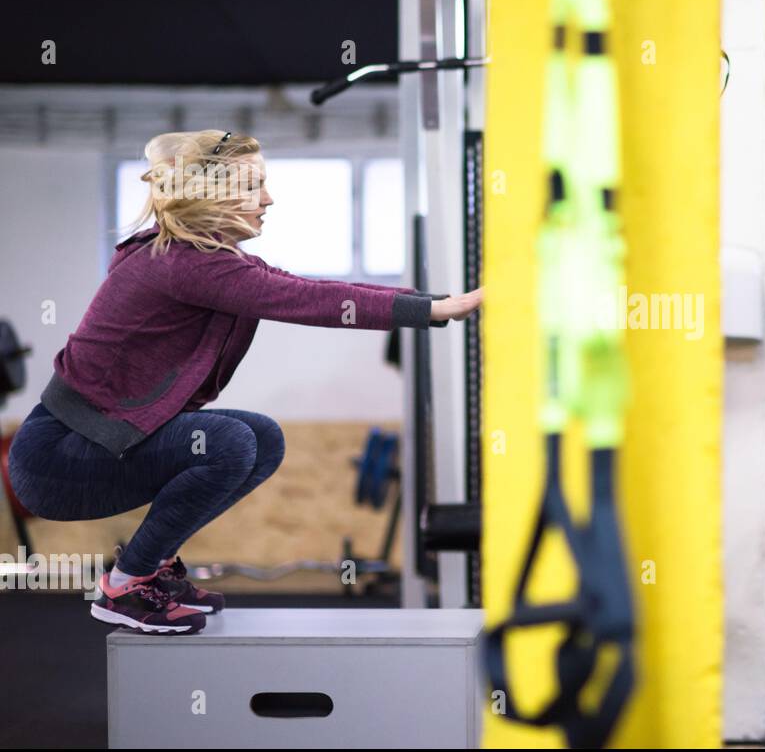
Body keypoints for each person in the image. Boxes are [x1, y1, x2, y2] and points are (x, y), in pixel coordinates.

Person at [6, 130, 482, 635]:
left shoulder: (205, 259)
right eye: (255, 186)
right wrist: (432, 310)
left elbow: (310, 287)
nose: (269, 199)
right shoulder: (180, 264)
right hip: (57, 458)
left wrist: (435, 303)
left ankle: (150, 569)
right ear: (213, 193)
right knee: (230, 443)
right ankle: (126, 585)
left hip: (89, 448)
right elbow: (307, 301)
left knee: (262, 437)